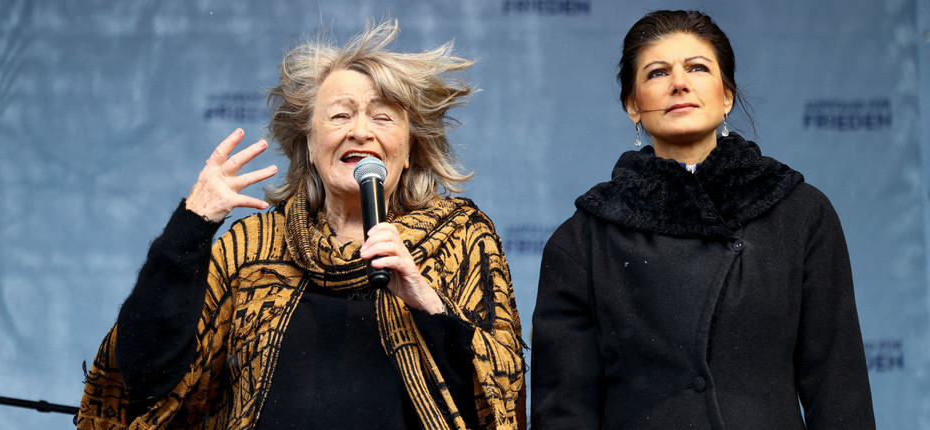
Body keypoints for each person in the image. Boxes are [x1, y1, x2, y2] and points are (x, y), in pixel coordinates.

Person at [77, 19, 526, 430]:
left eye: (383, 116)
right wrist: (190, 225)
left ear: (409, 152)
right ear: (309, 146)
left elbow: (499, 397)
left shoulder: (461, 238)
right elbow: (143, 372)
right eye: (340, 115)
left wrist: (426, 301)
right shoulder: (251, 250)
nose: (361, 131)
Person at [530, 9, 874, 429]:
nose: (679, 83)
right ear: (632, 105)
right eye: (657, 73)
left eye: (697, 67)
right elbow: (564, 412)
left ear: (726, 95)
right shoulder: (583, 240)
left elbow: (839, 391)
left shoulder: (800, 213)